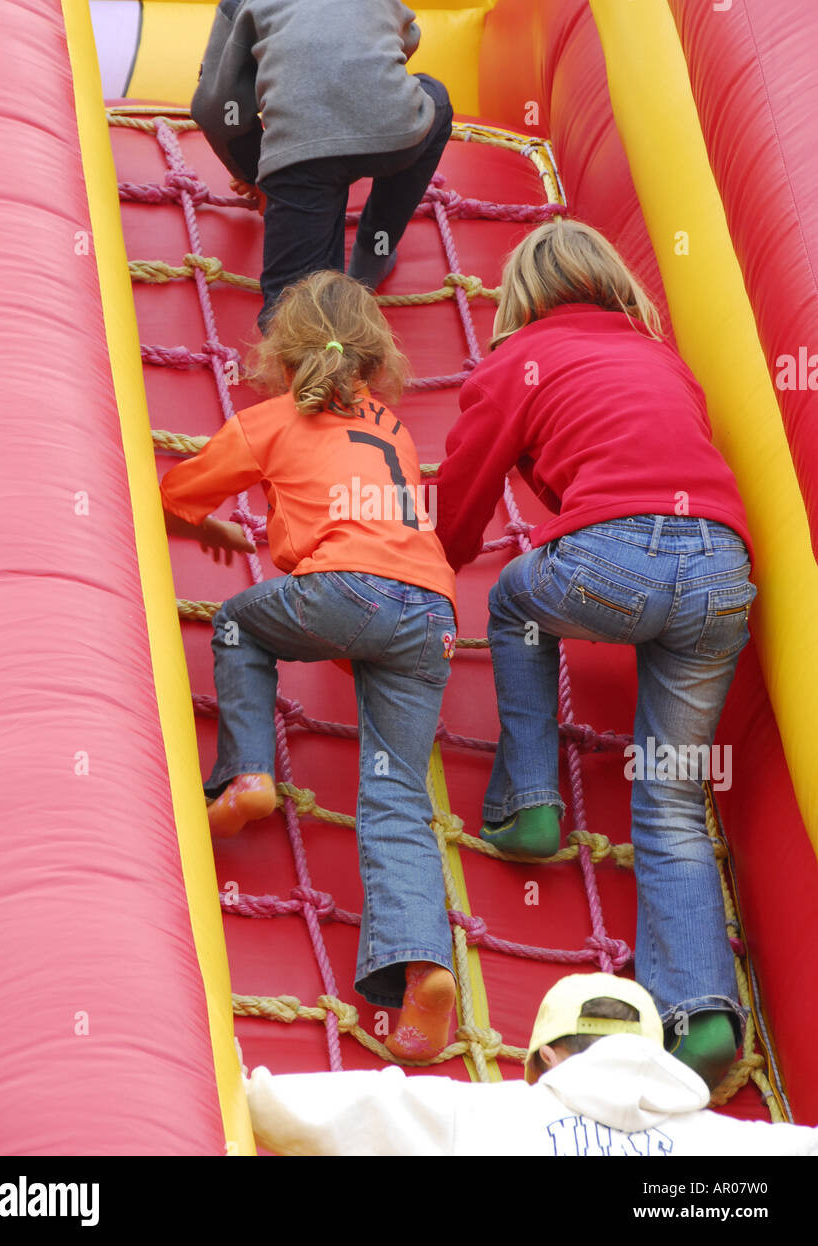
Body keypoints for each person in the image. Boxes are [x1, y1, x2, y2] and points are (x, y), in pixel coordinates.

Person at [430, 218, 758, 1091]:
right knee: (671, 800)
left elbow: (463, 495)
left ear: (523, 296)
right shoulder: (662, 357)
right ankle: (701, 1016)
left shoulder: (517, 361)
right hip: (723, 569)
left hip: (616, 558)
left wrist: (438, 566)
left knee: (514, 602)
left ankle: (531, 801)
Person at [159, 271, 459, 1060]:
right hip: (431, 613)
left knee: (236, 624)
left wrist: (210, 530)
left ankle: (249, 772)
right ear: (372, 362)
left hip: (343, 593)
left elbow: (171, 494)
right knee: (397, 802)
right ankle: (423, 968)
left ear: (282, 360)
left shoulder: (273, 419)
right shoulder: (393, 427)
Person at [191, 0, 453, 327]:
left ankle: (306, 365)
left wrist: (254, 172)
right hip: (394, 131)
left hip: (301, 159)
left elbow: (216, 107)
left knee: (294, 312)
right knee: (435, 97)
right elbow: (405, 41)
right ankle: (376, 248)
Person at [241, 972, 818, 1156]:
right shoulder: (734, 1148)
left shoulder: (486, 1117)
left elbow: (367, 1108)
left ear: (547, 1052)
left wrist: (247, 1093)